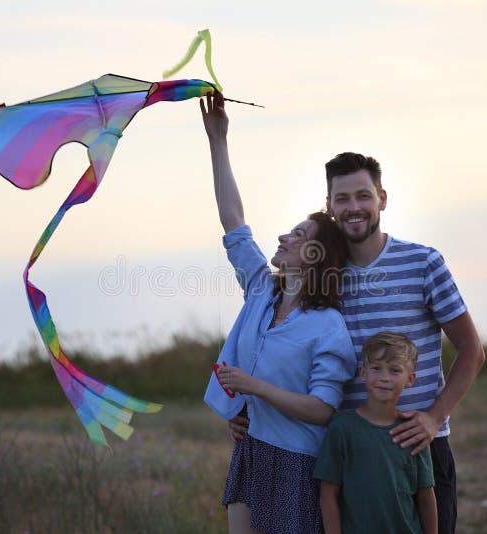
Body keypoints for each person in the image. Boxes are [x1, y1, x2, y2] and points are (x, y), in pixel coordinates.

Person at [231, 152, 486, 533]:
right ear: (330, 206)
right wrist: (252, 412)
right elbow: (291, 353)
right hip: (347, 450)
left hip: (417, 445)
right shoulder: (324, 277)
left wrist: (434, 419)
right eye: (343, 199)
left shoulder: (424, 263)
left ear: (382, 198)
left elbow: (472, 350)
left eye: (363, 196)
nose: (354, 207)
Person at [200, 92, 358, 534]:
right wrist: (218, 140)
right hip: (251, 451)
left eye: (298, 234)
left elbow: (323, 409)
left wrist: (255, 387)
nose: (284, 237)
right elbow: (233, 220)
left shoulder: (328, 326)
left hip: (297, 464)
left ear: (315, 254)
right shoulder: (261, 291)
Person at [314, 331, 438, 534]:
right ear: (363, 373)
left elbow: (426, 497)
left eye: (395, 370)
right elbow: (328, 494)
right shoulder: (342, 430)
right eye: (376, 368)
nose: (384, 378)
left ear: (410, 379)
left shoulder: (414, 432)